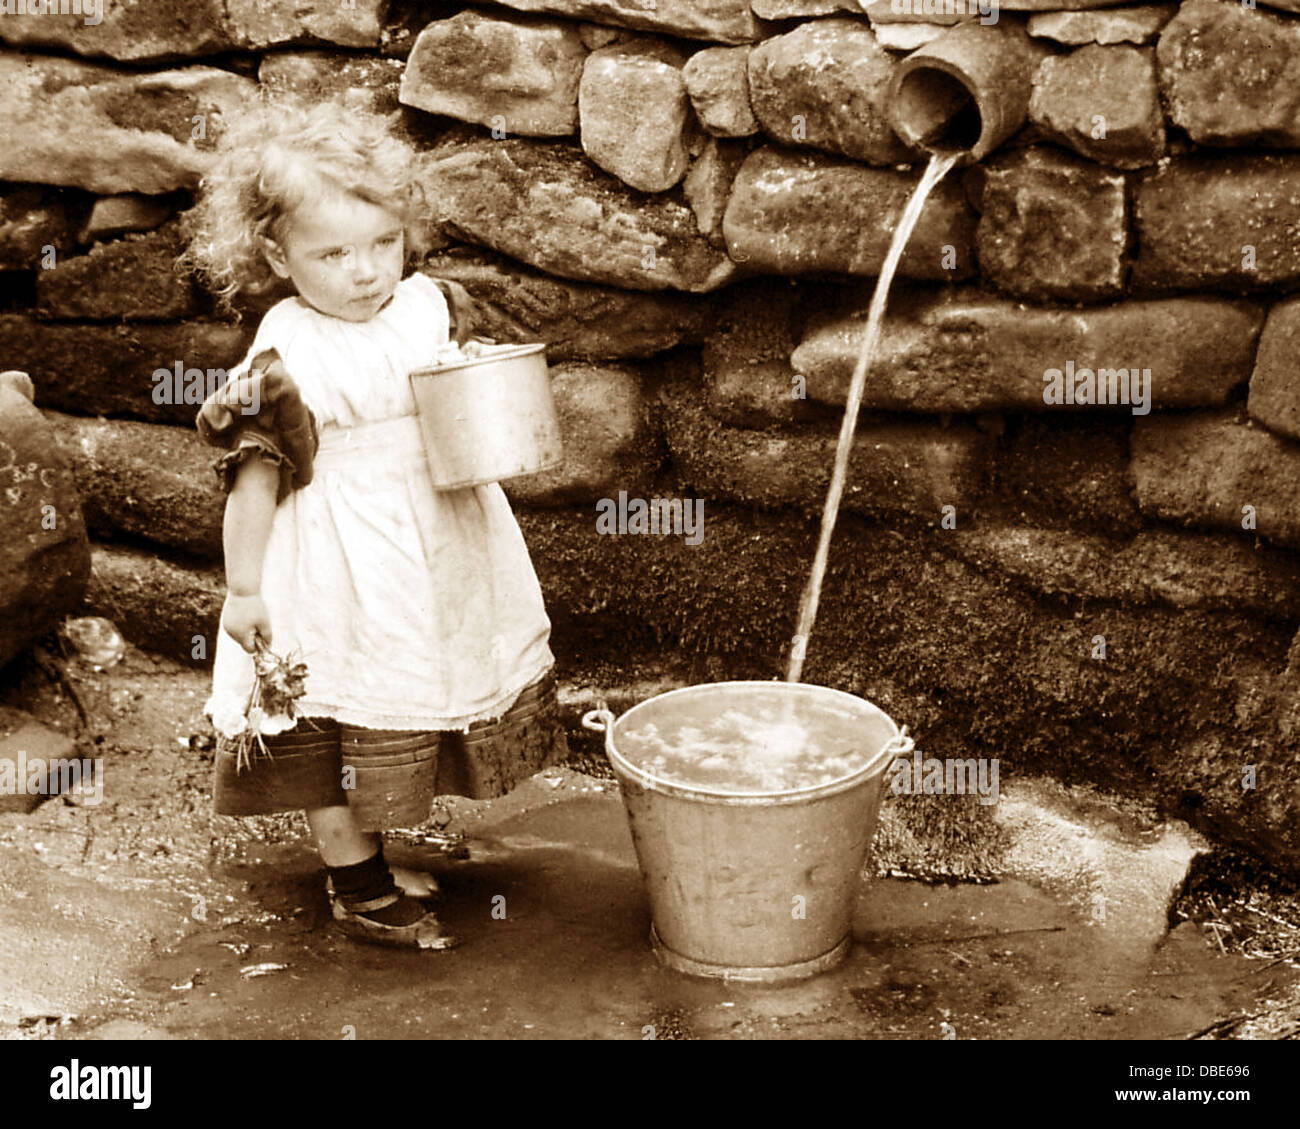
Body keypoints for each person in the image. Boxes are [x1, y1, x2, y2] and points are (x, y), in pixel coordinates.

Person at [182, 97, 567, 949]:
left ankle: (382, 850)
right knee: (333, 703)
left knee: (403, 688)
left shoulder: (425, 304)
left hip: (434, 539)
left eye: (382, 243)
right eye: (334, 252)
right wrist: (242, 589)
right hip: (335, 558)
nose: (365, 271)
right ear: (277, 254)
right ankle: (353, 880)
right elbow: (252, 482)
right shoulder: (286, 357)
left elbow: (456, 388)